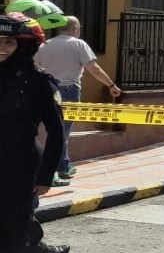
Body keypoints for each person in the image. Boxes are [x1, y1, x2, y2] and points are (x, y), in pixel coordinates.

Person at [0, 13, 65, 253]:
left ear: (21, 46)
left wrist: (46, 175)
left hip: (19, 169)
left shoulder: (38, 82)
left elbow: (56, 131)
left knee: (13, 238)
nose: (1, 48)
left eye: (9, 42)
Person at [32, 13, 121, 185]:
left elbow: (35, 67)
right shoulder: (78, 44)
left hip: (45, 91)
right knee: (62, 133)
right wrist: (111, 85)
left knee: (55, 131)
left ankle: (64, 166)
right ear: (74, 29)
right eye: (79, 28)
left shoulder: (45, 45)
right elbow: (94, 69)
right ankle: (56, 170)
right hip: (68, 91)